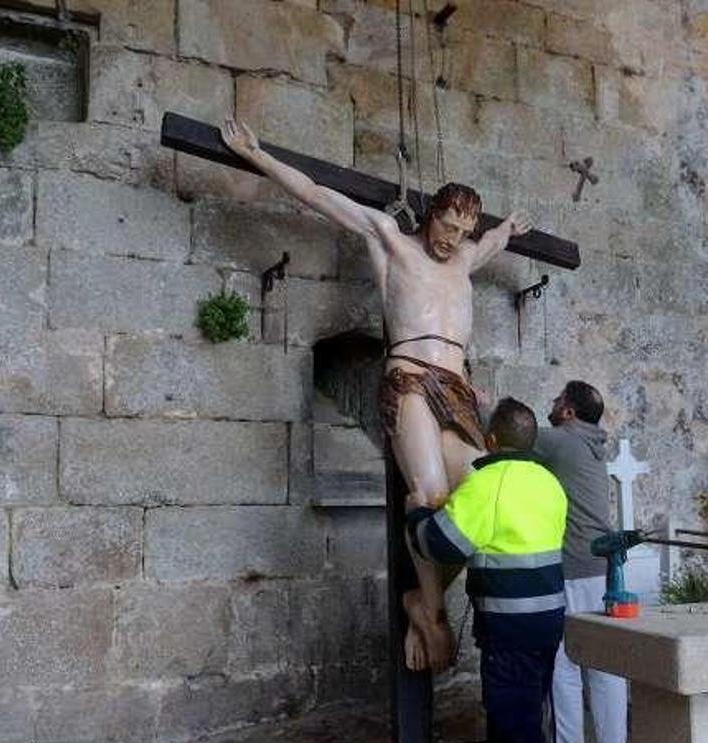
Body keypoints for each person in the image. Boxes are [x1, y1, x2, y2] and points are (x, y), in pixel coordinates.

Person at [222, 118, 533, 672]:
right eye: (445, 224)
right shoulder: (391, 241)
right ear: (430, 212)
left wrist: (507, 228)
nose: (451, 239)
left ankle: (427, 597)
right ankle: (430, 609)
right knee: (431, 496)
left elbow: (495, 240)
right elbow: (318, 196)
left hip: (456, 389)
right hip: (409, 379)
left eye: (462, 231)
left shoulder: (464, 258)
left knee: (477, 491)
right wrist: (259, 157)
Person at [406, 398, 566, 743]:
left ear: (490, 441)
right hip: (547, 623)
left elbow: (438, 543)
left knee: (519, 727)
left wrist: (417, 513)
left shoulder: (488, 484)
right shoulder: (550, 483)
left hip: (509, 627)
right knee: (512, 717)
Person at [534, 381, 628, 743]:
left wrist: (475, 401)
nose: (552, 406)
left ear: (569, 411)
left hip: (571, 567)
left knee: (564, 668)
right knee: (605, 666)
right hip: (603, 566)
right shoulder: (592, 444)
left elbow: (513, 432)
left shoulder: (562, 441)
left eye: (557, 401)